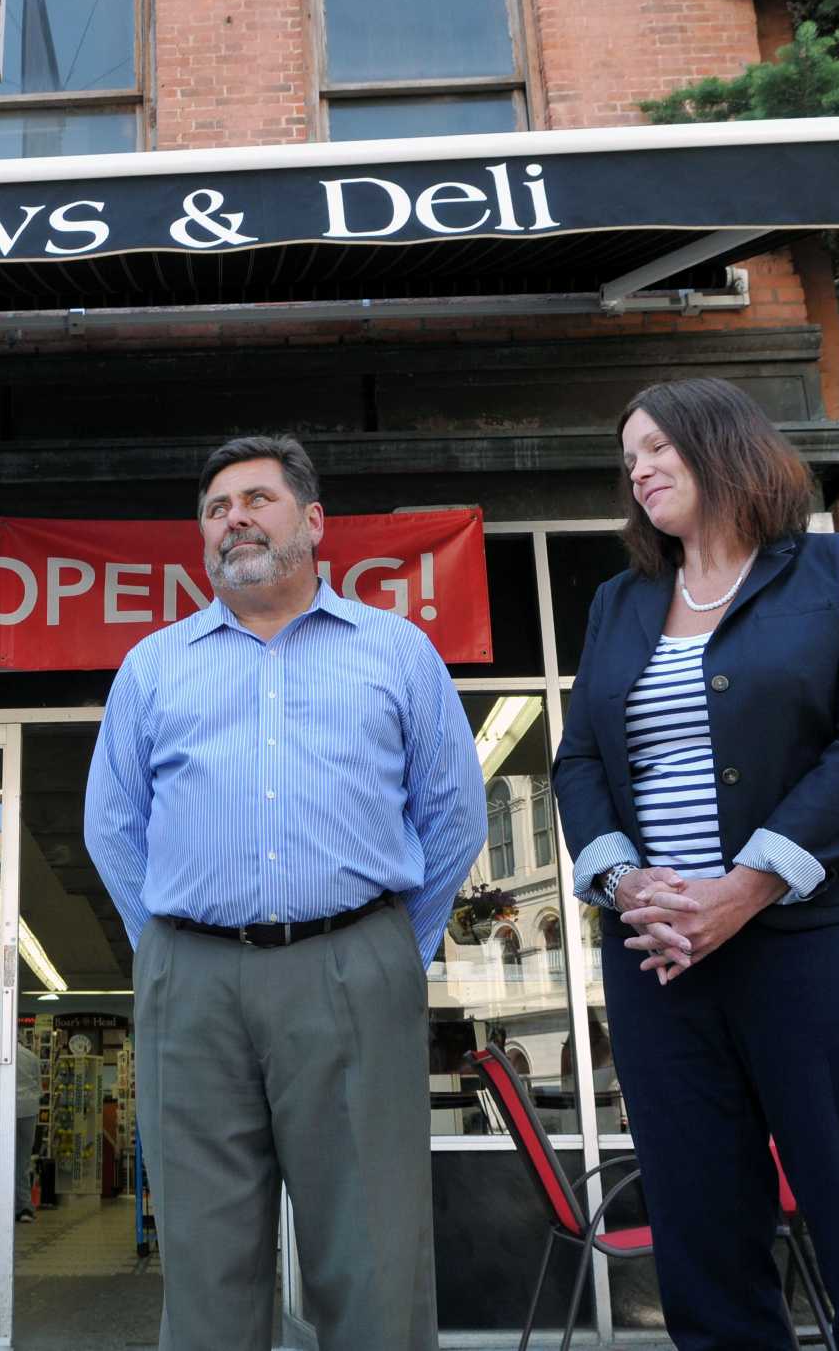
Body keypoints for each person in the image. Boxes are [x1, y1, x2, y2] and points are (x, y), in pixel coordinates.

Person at [552, 377, 839, 1349]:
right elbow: (580, 759)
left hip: (826, 949)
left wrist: (746, 885)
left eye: (656, 447)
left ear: (721, 446)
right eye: (628, 456)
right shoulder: (618, 603)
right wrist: (620, 880)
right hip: (661, 964)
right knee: (704, 1251)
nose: (637, 470)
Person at [84, 434, 485, 1351]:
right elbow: (111, 826)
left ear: (311, 522)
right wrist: (172, 952)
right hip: (193, 983)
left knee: (374, 1254)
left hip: (355, 966)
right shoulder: (154, 665)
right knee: (204, 1258)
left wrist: (386, 948)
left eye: (257, 499)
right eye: (218, 508)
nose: (236, 519)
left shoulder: (396, 650)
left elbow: (456, 814)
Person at [13, 1038, 41, 1223]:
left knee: (3, 1161)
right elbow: (38, 1085)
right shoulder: (31, 1057)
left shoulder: (2, 1054)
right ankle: (24, 1207)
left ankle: (6, 1204)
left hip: (7, 1110)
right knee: (23, 1161)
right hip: (29, 1111)